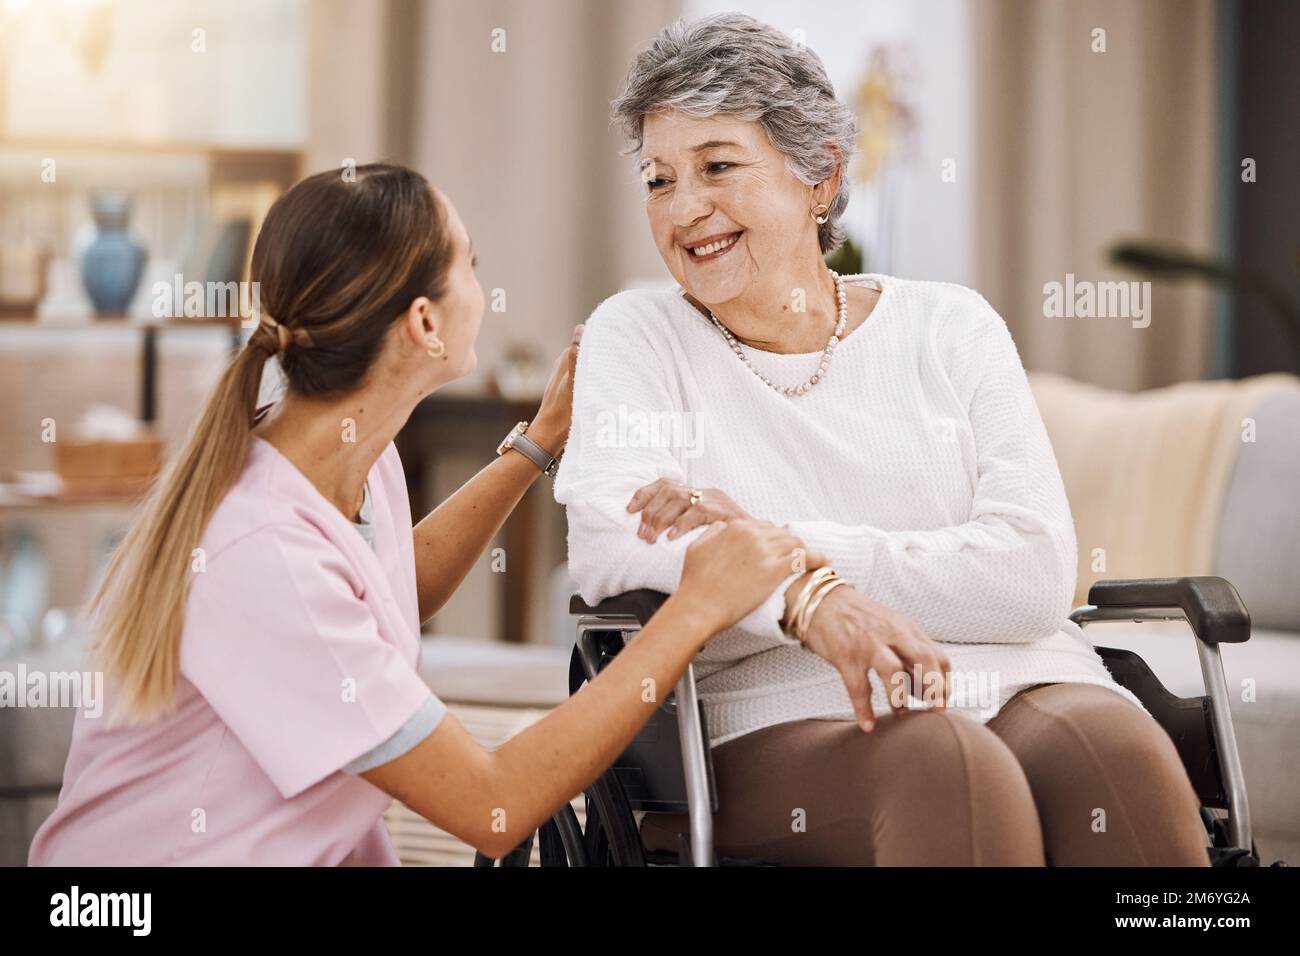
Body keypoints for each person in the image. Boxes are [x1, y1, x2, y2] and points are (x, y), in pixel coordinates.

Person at [554, 14, 1210, 865]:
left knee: (1121, 758)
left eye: (717, 166)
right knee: (946, 765)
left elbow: (1033, 575)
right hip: (786, 706)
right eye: (659, 179)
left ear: (819, 175)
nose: (684, 209)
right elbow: (611, 541)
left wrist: (782, 549)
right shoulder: (638, 333)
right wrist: (811, 606)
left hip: (1026, 674)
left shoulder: (952, 325)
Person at [29, 163, 818, 865]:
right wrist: (694, 610)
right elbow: (492, 807)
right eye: (469, 266)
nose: (483, 286)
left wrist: (539, 443)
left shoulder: (340, 448)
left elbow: (392, 586)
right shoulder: (263, 550)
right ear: (425, 323)